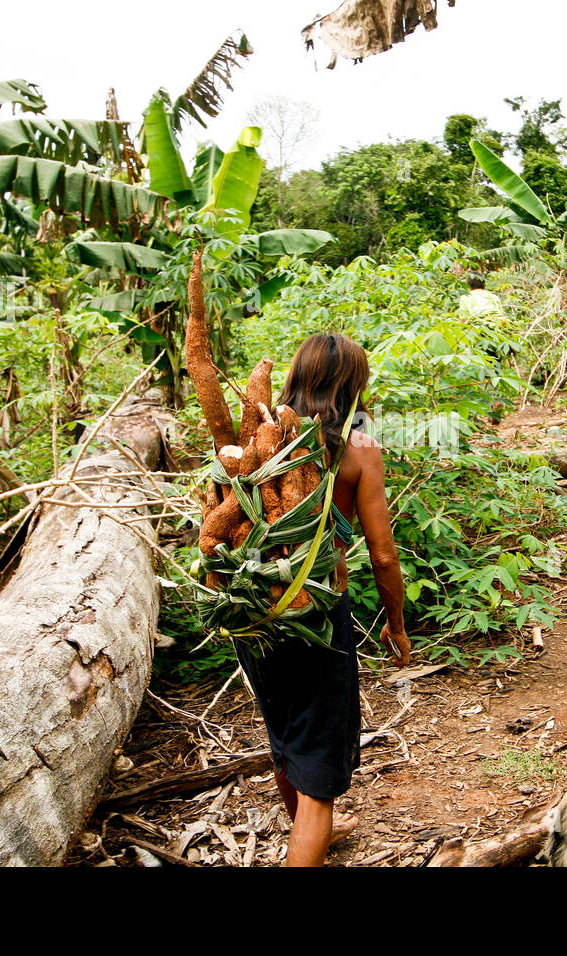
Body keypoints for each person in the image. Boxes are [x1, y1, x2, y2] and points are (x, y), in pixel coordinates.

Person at [233, 333, 410, 867]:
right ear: (352, 386)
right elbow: (382, 555)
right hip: (314, 616)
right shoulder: (358, 448)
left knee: (288, 735)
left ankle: (312, 834)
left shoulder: (259, 435)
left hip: (252, 611)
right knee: (319, 785)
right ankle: (312, 832)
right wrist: (395, 621)